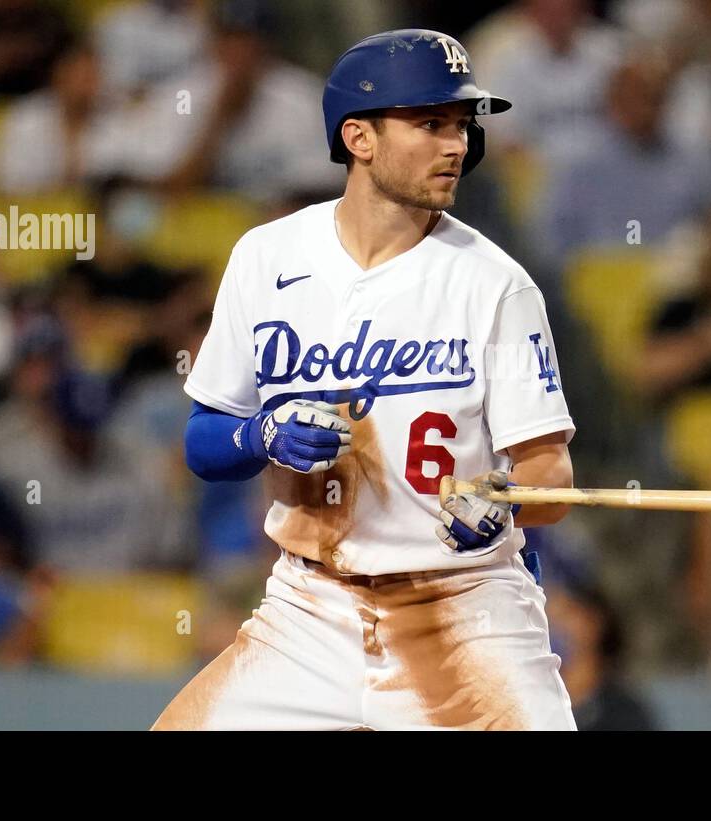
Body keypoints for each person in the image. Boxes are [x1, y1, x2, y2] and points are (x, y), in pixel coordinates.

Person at [152, 30, 578, 730]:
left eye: (461, 125)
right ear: (359, 137)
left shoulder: (496, 284)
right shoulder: (266, 256)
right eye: (431, 123)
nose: (456, 145)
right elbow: (202, 443)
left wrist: (505, 503)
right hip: (308, 609)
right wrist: (261, 434)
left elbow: (550, 475)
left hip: (464, 605)